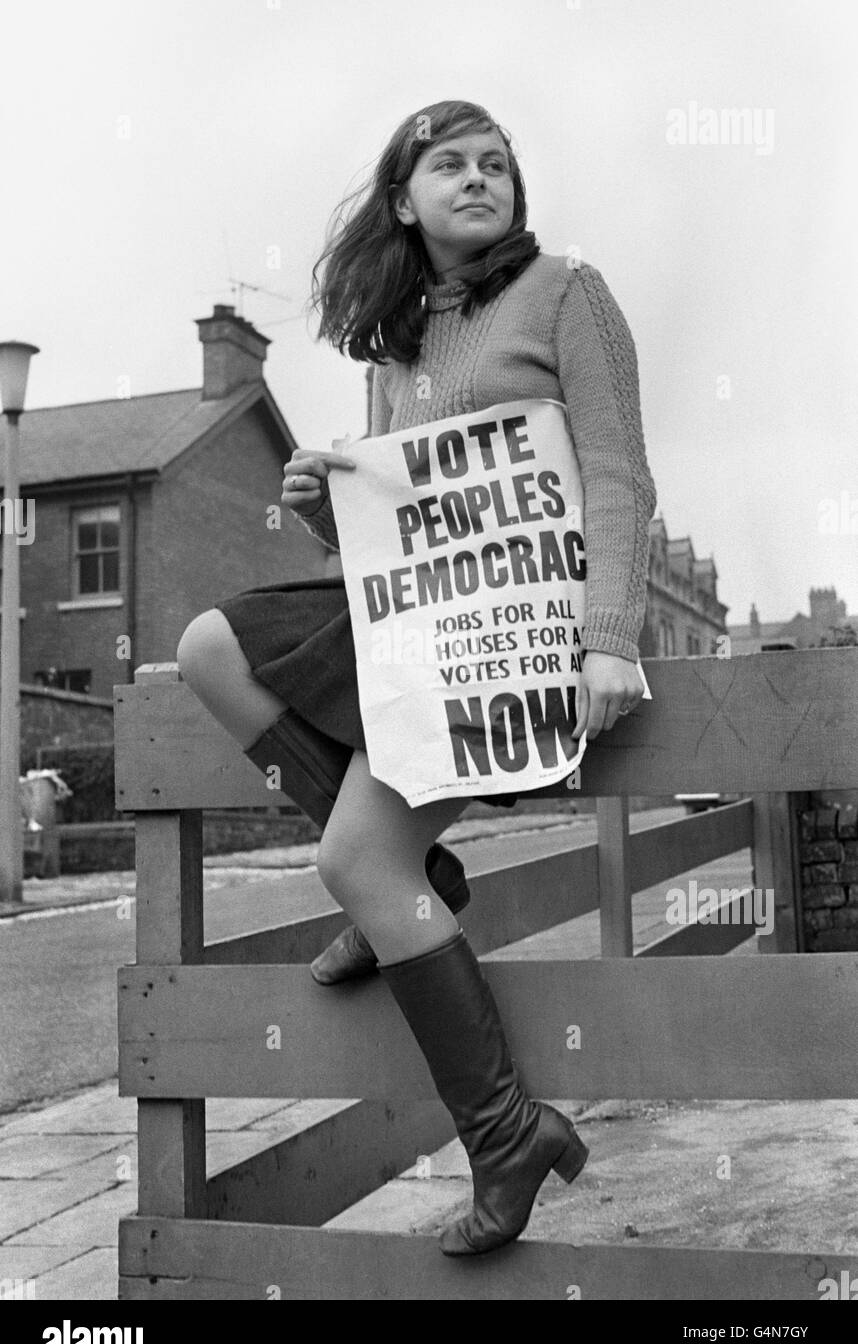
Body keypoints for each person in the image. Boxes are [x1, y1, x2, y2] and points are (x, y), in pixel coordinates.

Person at [176, 98, 657, 1257]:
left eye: (496, 164)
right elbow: (391, 536)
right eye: (451, 165)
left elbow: (617, 473)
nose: (479, 179)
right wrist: (317, 510)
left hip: (518, 629)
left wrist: (607, 634)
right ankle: (422, 872)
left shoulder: (568, 294)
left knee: (351, 857)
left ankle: (503, 1131)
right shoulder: (394, 343)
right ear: (405, 195)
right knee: (207, 647)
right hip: (416, 624)